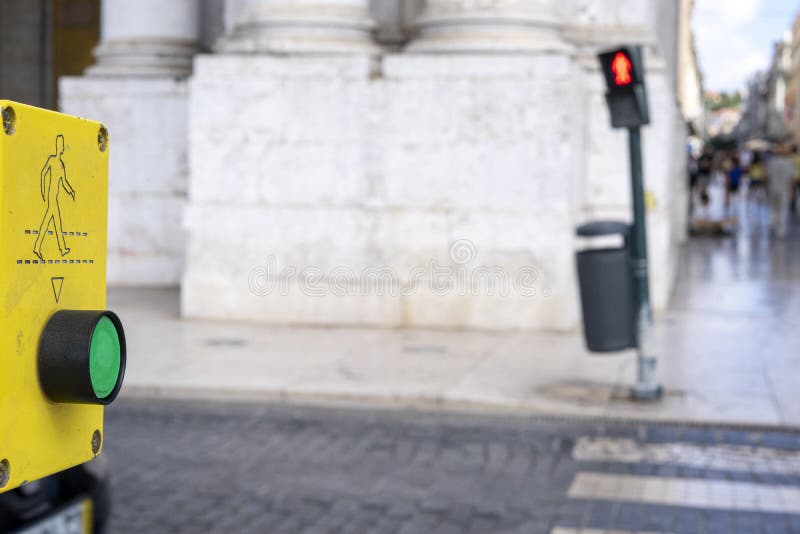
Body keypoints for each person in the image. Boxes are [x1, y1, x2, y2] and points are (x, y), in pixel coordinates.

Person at [33, 134, 75, 260]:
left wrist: (71, 191)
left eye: (61, 145)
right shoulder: (52, 160)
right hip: (51, 196)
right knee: (54, 222)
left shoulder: (61, 164)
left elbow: (64, 182)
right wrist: (43, 192)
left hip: (54, 197)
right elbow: (43, 173)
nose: (59, 147)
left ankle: (40, 247)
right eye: (58, 144)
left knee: (53, 222)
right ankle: (58, 248)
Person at [765, 143, 796, 239]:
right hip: (784, 189)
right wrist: (792, 190)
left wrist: (766, 189)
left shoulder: (771, 162)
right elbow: (792, 178)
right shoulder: (789, 163)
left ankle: (772, 224)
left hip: (773, 188)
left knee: (773, 208)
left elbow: (766, 177)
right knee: (782, 209)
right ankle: (781, 231)